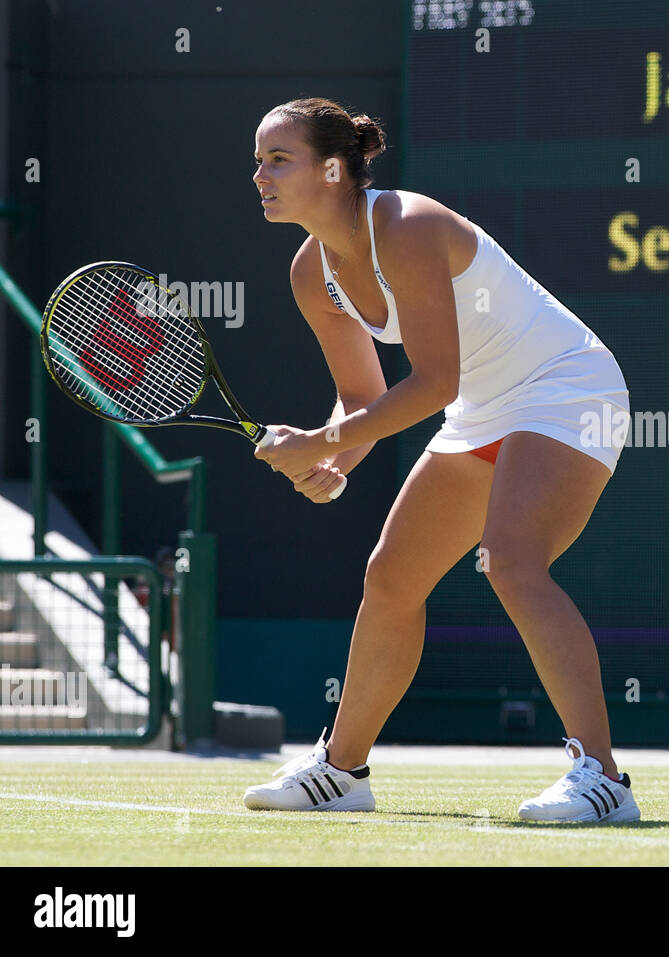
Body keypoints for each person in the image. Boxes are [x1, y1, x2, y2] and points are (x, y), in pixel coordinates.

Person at [240, 97, 637, 823]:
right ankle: (342, 770)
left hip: (566, 386)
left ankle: (604, 778)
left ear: (332, 168)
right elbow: (361, 396)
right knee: (391, 575)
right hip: (483, 408)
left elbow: (433, 383)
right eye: (259, 159)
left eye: (277, 158)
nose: (259, 174)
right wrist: (337, 456)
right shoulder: (310, 274)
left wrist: (317, 443)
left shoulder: (408, 226)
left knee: (512, 559)